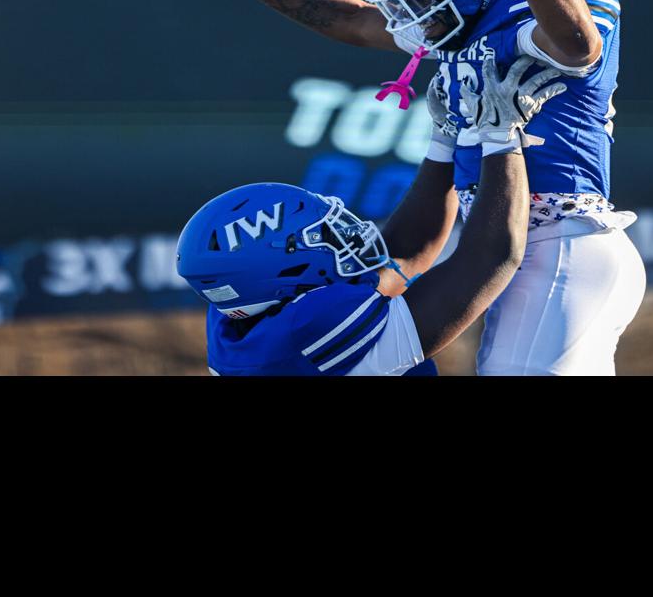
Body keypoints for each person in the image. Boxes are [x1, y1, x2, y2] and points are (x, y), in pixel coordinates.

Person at [129, 0, 645, 376]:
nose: (407, 19)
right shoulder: (460, 23)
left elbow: (578, 44)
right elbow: (357, 20)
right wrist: (484, 137)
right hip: (524, 242)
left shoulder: (550, 2)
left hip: (565, 240)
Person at [177, 57, 565, 376]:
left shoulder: (241, 313)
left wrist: (445, 138)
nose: (346, 234)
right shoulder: (303, 333)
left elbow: (406, 253)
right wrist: (500, 137)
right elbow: (492, 256)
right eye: (323, 235)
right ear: (286, 272)